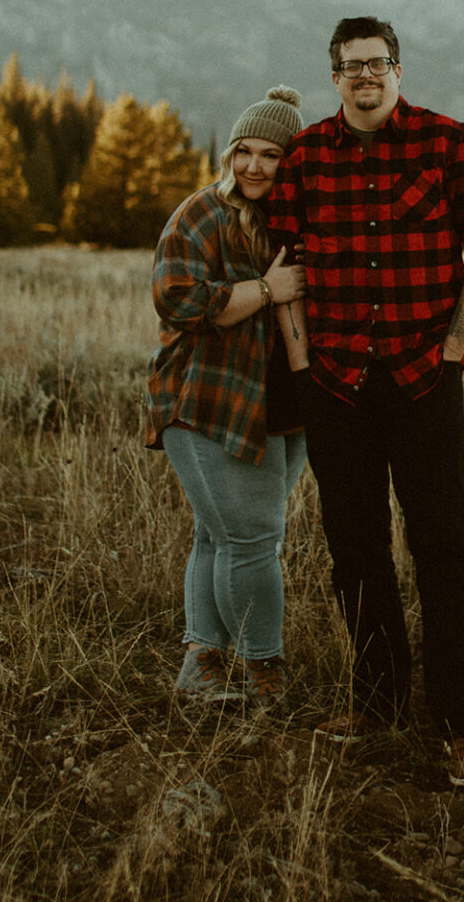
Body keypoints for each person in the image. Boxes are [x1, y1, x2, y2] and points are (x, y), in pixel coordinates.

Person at [268, 17, 464, 784]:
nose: (366, 76)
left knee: (443, 547)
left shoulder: (448, 143)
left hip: (423, 380)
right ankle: (377, 700)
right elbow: (287, 265)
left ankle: (460, 721)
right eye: (352, 66)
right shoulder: (306, 157)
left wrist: (453, 345)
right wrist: (303, 369)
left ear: (398, 71)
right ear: (334, 78)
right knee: (356, 550)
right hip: (336, 384)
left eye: (378, 64)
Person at [146, 86, 308, 711]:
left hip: (284, 405)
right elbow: (176, 300)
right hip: (209, 399)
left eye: (271, 155)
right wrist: (264, 290)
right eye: (244, 151)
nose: (253, 167)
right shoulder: (203, 213)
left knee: (223, 536)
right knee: (252, 538)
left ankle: (201, 665)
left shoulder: (291, 219)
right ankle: (263, 668)